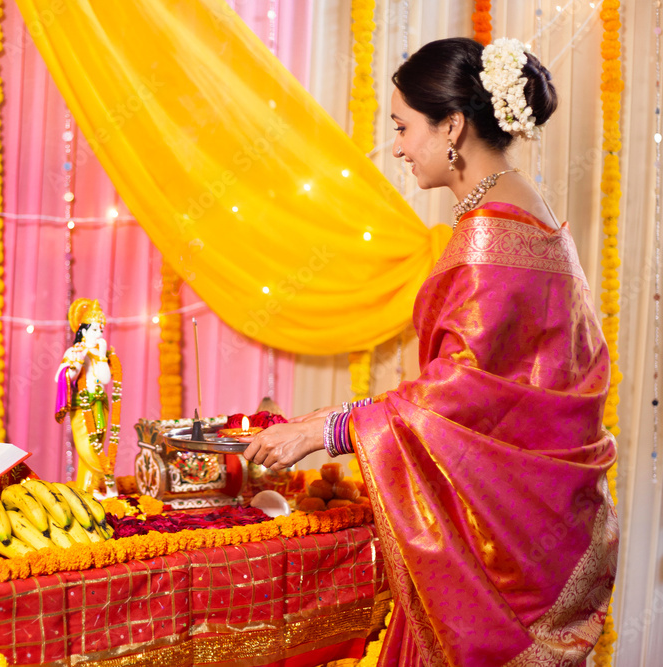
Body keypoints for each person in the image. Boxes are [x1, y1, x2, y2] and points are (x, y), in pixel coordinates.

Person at [242, 37, 618, 665]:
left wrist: (331, 428)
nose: (397, 147)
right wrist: (325, 420)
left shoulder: (487, 235)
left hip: (493, 551)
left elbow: (462, 396)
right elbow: (507, 389)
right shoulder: (530, 209)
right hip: (535, 523)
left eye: (402, 127)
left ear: (451, 124)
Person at [55, 298, 123, 494]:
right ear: (83, 331)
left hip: (99, 404)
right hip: (80, 406)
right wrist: (77, 362)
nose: (99, 334)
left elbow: (105, 378)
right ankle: (108, 477)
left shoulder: (102, 353)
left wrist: (101, 356)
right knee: (87, 448)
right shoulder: (74, 351)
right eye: (94, 330)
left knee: (97, 443)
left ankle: (88, 488)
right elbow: (63, 376)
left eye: (100, 330)